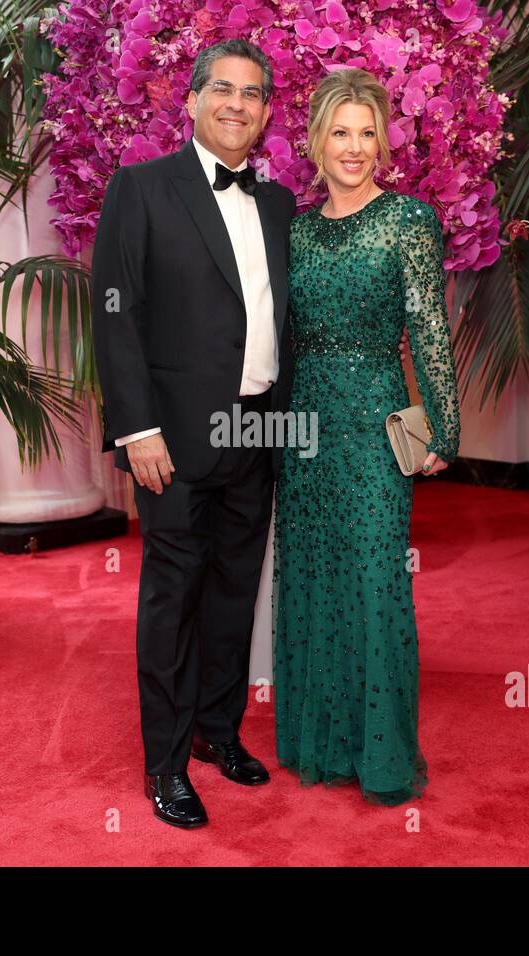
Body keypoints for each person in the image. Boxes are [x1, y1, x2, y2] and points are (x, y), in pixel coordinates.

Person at [90, 39, 296, 829]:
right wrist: (135, 427)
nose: (237, 104)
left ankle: (219, 733)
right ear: (192, 100)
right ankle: (166, 765)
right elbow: (116, 317)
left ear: (268, 113)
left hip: (258, 428)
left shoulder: (278, 205)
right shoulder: (139, 189)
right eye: (222, 89)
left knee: (235, 594)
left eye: (252, 94)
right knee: (172, 600)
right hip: (170, 437)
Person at [272, 68, 461, 806]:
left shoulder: (410, 220)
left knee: (377, 583)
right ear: (315, 141)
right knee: (313, 581)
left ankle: (380, 755)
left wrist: (444, 424)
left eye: (368, 133)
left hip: (376, 422)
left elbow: (428, 329)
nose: (355, 148)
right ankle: (319, 742)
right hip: (304, 431)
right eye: (340, 132)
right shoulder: (294, 230)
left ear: (384, 141)